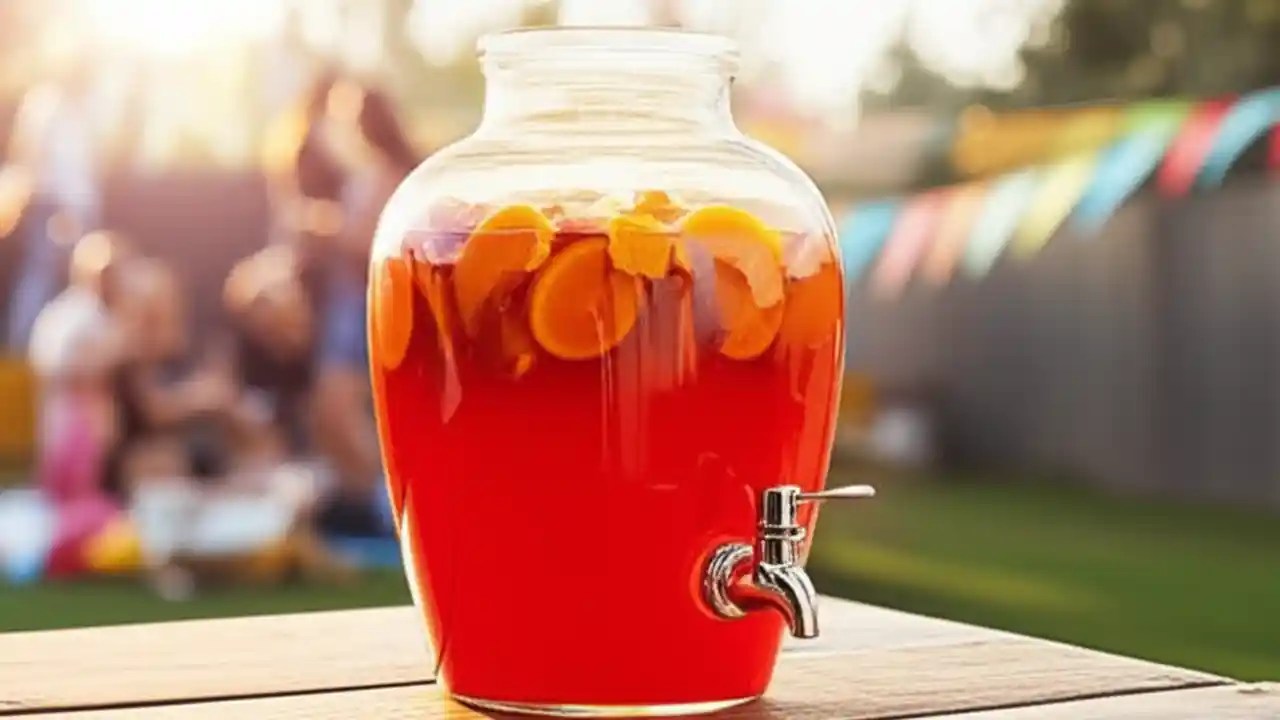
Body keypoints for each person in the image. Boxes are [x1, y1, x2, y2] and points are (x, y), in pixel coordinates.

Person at [308, 81, 418, 536]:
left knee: (342, 408)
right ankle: (368, 504)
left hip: (364, 302)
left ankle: (383, 507)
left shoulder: (393, 176)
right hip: (344, 303)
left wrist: (324, 228)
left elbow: (372, 244)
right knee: (333, 411)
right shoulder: (365, 175)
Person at [4, 61, 103, 352]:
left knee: (79, 286)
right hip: (54, 206)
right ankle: (21, 349)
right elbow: (29, 155)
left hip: (81, 207)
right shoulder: (45, 102)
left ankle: (69, 350)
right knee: (42, 277)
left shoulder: (88, 105)